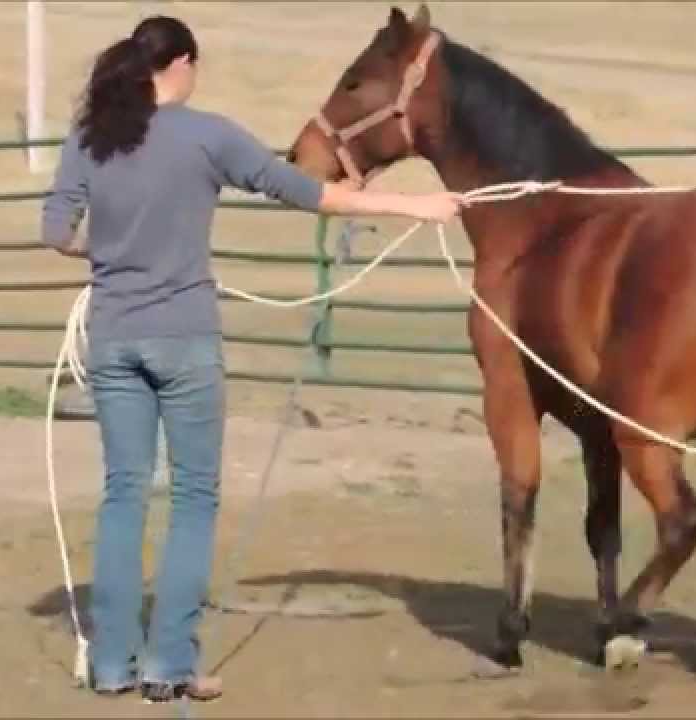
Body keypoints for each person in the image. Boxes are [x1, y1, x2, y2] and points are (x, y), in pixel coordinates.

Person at [40, 15, 462, 704]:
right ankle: (169, 664)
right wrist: (419, 207)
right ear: (180, 64)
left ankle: (112, 663)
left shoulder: (91, 137)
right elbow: (308, 193)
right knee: (194, 499)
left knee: (123, 495)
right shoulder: (210, 135)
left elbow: (54, 231)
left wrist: (111, 256)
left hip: (113, 337)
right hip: (185, 338)